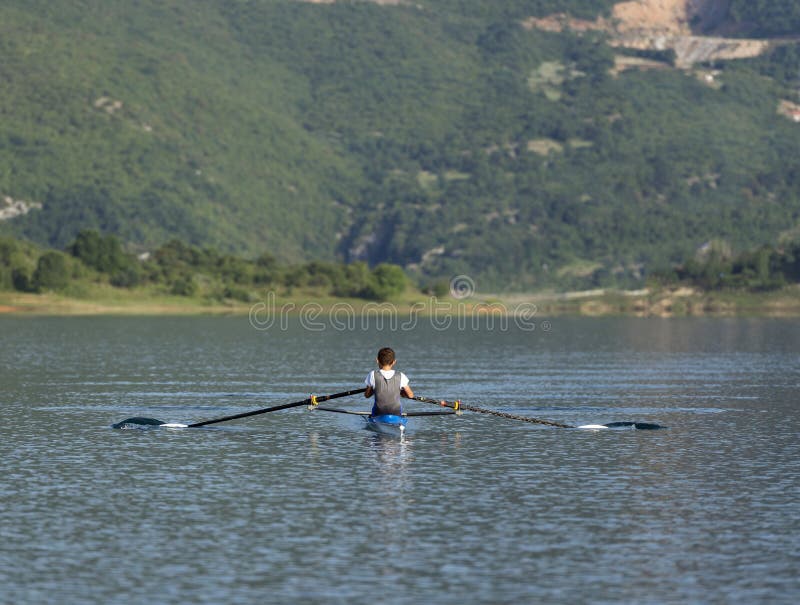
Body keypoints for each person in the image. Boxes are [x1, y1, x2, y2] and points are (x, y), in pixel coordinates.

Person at [364, 347, 414, 417]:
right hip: (395, 412)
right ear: (394, 362)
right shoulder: (401, 375)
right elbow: (411, 395)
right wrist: (402, 393)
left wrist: (374, 389)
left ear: (377, 360)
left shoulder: (372, 374)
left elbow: (367, 395)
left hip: (379, 412)